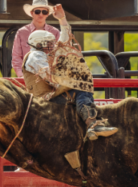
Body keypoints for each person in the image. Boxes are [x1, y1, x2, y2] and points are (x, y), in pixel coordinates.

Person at [22, 4, 117, 141]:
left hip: (50, 94)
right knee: (81, 88)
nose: (52, 46)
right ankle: (92, 124)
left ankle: (90, 124)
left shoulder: (42, 54)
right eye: (49, 44)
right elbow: (51, 78)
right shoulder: (36, 57)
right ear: (39, 44)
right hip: (44, 98)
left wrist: (62, 19)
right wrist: (71, 79)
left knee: (80, 85)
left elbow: (64, 41)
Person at [12, 0, 60, 78]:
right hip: (28, 78)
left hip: (50, 79)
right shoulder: (21, 32)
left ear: (47, 14)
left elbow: (60, 56)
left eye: (44, 12)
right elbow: (16, 58)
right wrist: (22, 76)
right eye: (37, 11)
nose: (41, 14)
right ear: (32, 13)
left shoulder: (55, 32)